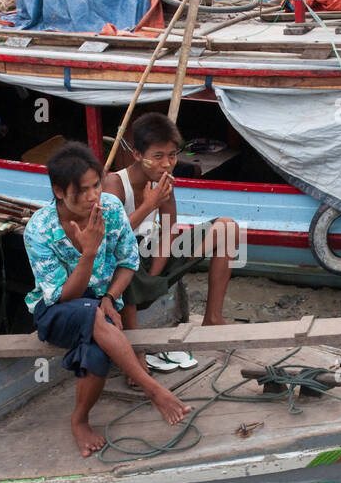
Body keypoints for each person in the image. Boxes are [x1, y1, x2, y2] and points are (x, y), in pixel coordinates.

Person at [24, 142, 190, 456]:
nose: (93, 196)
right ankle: (152, 389)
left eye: (96, 185)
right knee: (88, 311)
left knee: (97, 354)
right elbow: (62, 296)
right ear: (60, 192)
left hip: (101, 304)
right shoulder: (40, 230)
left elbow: (128, 263)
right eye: (82, 190)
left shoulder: (111, 208)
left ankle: (79, 420)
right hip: (56, 310)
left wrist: (110, 298)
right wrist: (88, 254)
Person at [103, 113, 240, 346]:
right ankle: (134, 349)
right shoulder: (114, 184)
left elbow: (169, 231)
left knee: (227, 228)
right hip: (123, 262)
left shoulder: (164, 180)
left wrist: (156, 274)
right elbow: (111, 238)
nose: (166, 164)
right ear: (137, 154)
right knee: (123, 260)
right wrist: (149, 205)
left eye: (172, 155)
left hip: (151, 257)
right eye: (157, 156)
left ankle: (213, 318)